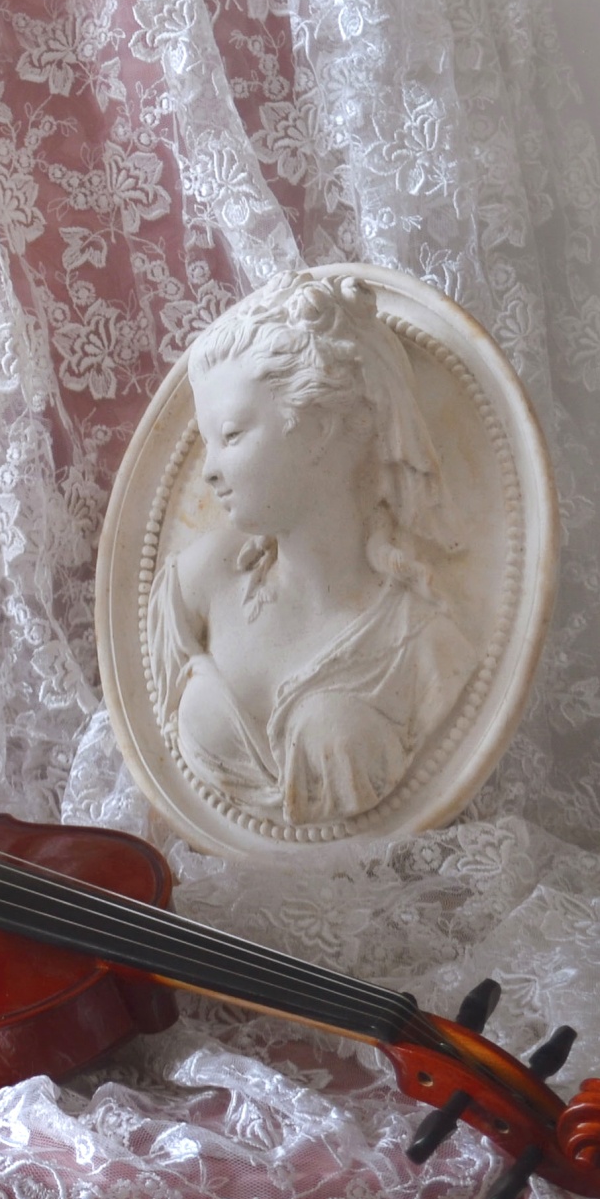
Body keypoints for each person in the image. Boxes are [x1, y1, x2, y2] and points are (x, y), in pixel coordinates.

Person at [149, 270, 476, 827]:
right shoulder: (195, 585)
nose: (208, 471)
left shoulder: (424, 645)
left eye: (231, 436)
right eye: (207, 443)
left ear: (320, 427)